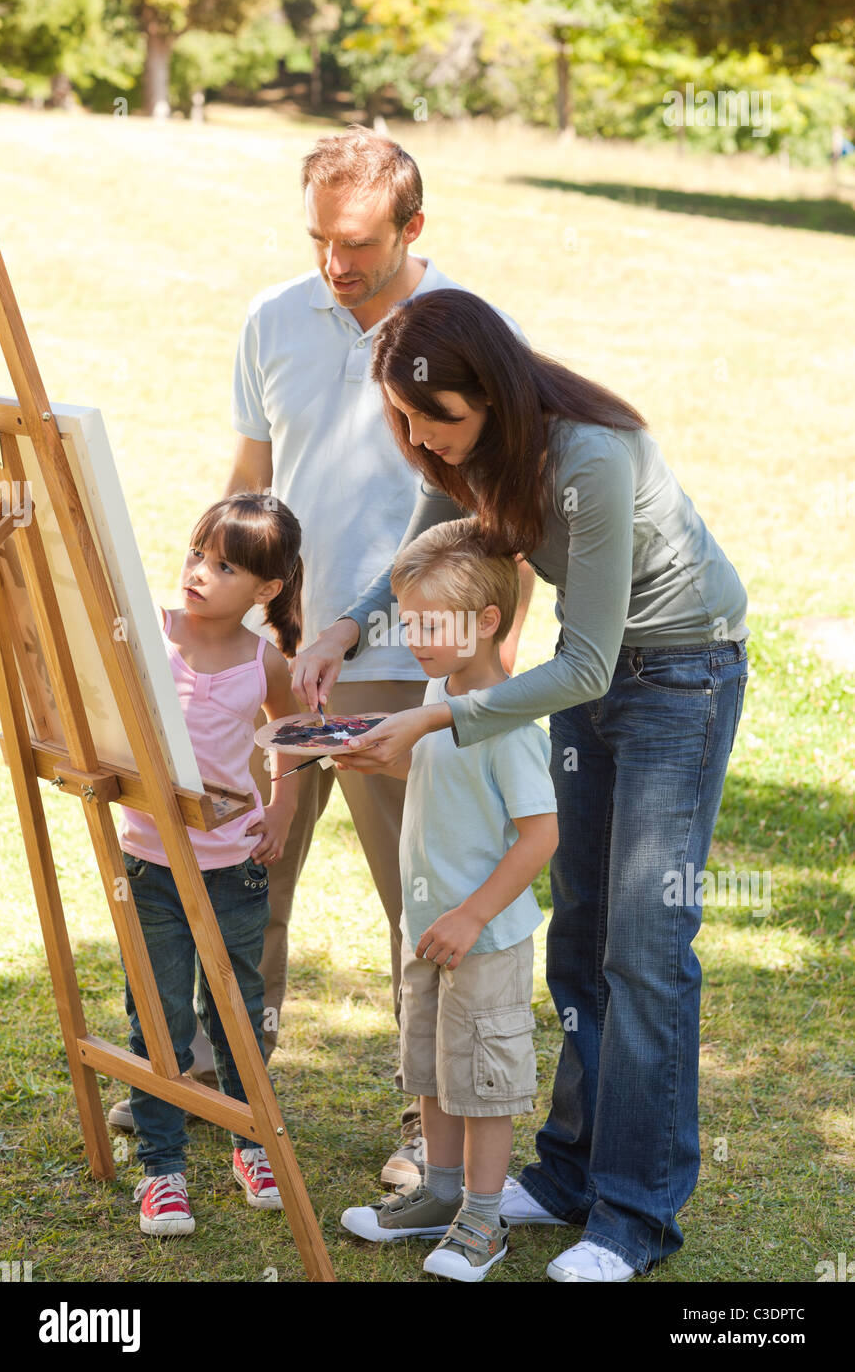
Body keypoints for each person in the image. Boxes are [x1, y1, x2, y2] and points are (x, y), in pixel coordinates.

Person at [292, 288, 750, 1282]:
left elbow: (584, 664)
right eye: (405, 419)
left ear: (492, 393)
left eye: (437, 418)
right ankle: (570, 1174)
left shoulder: (591, 456)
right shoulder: (464, 449)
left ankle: (633, 1217)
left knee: (643, 950)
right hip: (592, 676)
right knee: (578, 936)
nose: (423, 440)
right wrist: (343, 630)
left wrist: (435, 719)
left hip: (679, 676)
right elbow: (418, 556)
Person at [223, 123, 534, 1185]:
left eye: (357, 241)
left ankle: (428, 1120)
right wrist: (230, 622)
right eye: (319, 238)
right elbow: (249, 480)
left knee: (422, 894)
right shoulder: (273, 318)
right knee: (251, 873)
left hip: (416, 660)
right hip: (286, 652)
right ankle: (229, 1080)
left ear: (413, 226)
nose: (336, 262)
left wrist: (480, 670)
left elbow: (505, 515)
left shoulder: (469, 334)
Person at [338, 519, 558, 1282]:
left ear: (487, 621)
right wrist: (379, 758)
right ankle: (438, 1193)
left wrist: (472, 915)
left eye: (430, 625)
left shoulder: (510, 723)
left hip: (483, 941)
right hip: (428, 931)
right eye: (408, 622)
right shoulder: (440, 691)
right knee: (432, 1067)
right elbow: (440, 775)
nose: (414, 639)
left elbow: (540, 835)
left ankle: (484, 1220)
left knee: (483, 1083)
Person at [116, 493, 304, 1236]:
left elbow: (290, 730)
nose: (199, 571)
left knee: (235, 1013)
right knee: (157, 1018)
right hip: (149, 866)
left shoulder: (265, 661)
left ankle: (251, 1142)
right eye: (198, 554)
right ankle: (162, 1169)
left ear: (266, 589)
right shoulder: (148, 631)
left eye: (224, 567)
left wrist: (282, 806)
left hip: (233, 871)